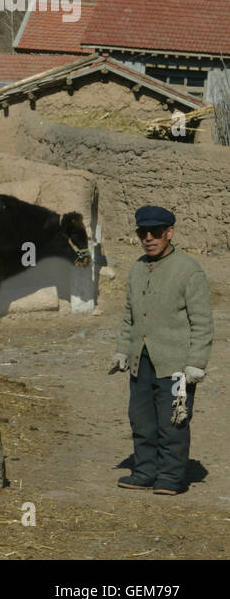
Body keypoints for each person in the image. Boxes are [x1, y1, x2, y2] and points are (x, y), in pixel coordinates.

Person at [111, 205, 213, 495]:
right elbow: (130, 316)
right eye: (143, 232)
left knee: (175, 421)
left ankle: (170, 477)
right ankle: (145, 471)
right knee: (141, 419)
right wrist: (122, 350)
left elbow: (203, 322)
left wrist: (196, 362)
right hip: (140, 362)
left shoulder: (188, 270)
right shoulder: (136, 268)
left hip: (177, 365)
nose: (149, 238)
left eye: (156, 232)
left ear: (170, 233)